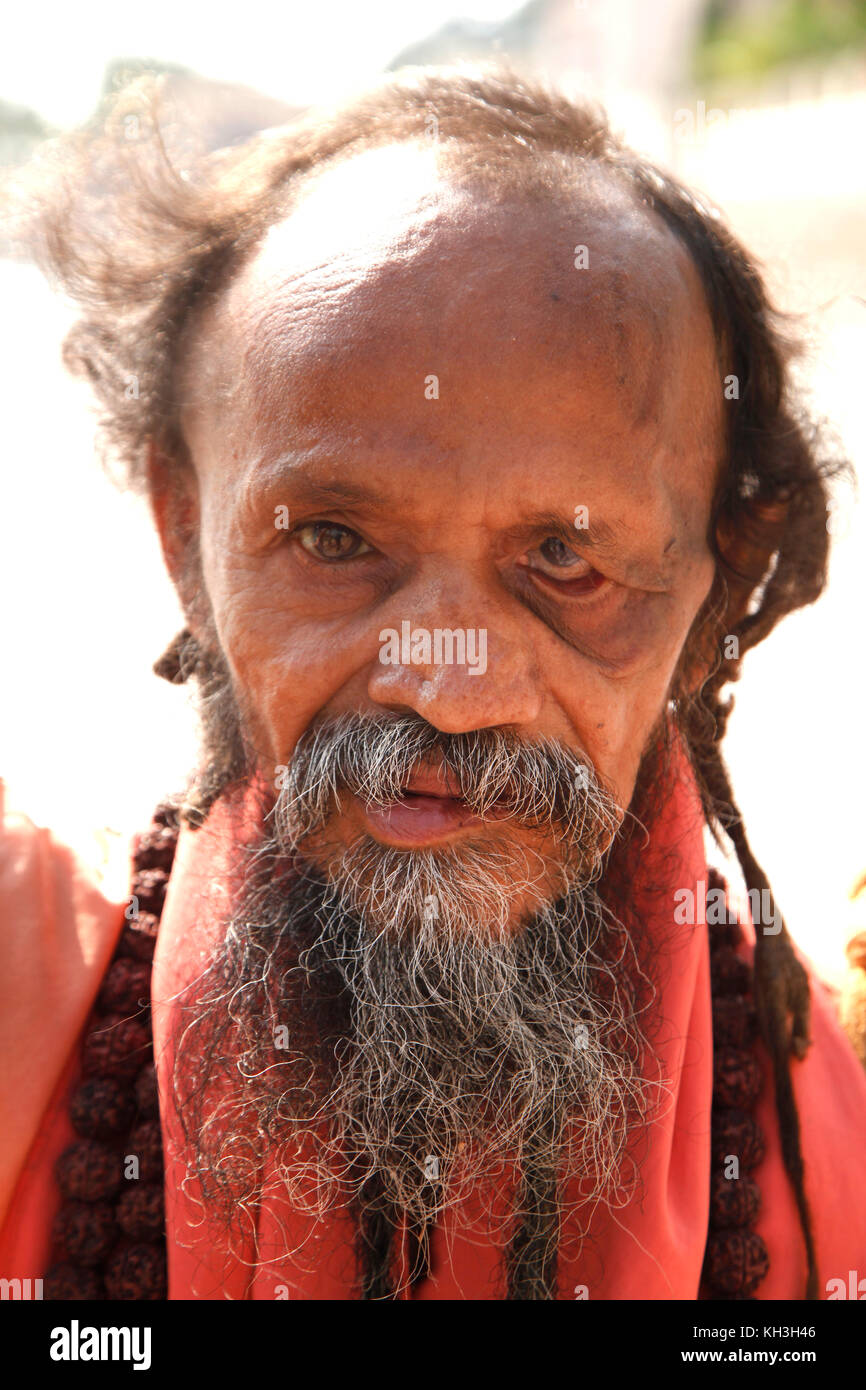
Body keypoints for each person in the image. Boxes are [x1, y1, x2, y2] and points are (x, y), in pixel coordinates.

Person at [2, 65, 865, 1301]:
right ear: (184, 533)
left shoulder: (831, 1095)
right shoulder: (23, 980)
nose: (447, 691)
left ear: (715, 581)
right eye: (335, 543)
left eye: (562, 560)